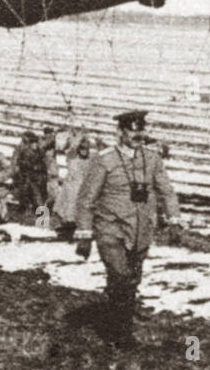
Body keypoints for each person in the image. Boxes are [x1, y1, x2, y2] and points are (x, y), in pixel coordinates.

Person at [73, 110, 181, 348]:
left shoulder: (152, 159)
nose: (138, 136)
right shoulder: (105, 160)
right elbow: (86, 199)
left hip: (141, 232)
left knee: (130, 281)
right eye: (132, 131)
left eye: (141, 131)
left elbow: (167, 191)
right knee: (121, 277)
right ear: (120, 132)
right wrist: (84, 234)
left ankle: (120, 326)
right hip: (110, 230)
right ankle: (118, 333)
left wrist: (174, 221)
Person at [51, 131, 93, 240]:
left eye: (86, 149)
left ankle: (75, 227)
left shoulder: (90, 160)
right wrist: (80, 137)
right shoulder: (72, 157)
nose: (84, 152)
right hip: (70, 187)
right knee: (66, 209)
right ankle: (66, 227)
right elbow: (71, 147)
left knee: (78, 210)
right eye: (82, 149)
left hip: (82, 187)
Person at [11, 131, 46, 218]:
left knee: (36, 192)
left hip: (36, 177)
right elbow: (17, 162)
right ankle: (26, 208)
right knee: (26, 189)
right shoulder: (21, 150)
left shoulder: (39, 152)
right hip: (24, 176)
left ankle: (38, 210)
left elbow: (42, 165)